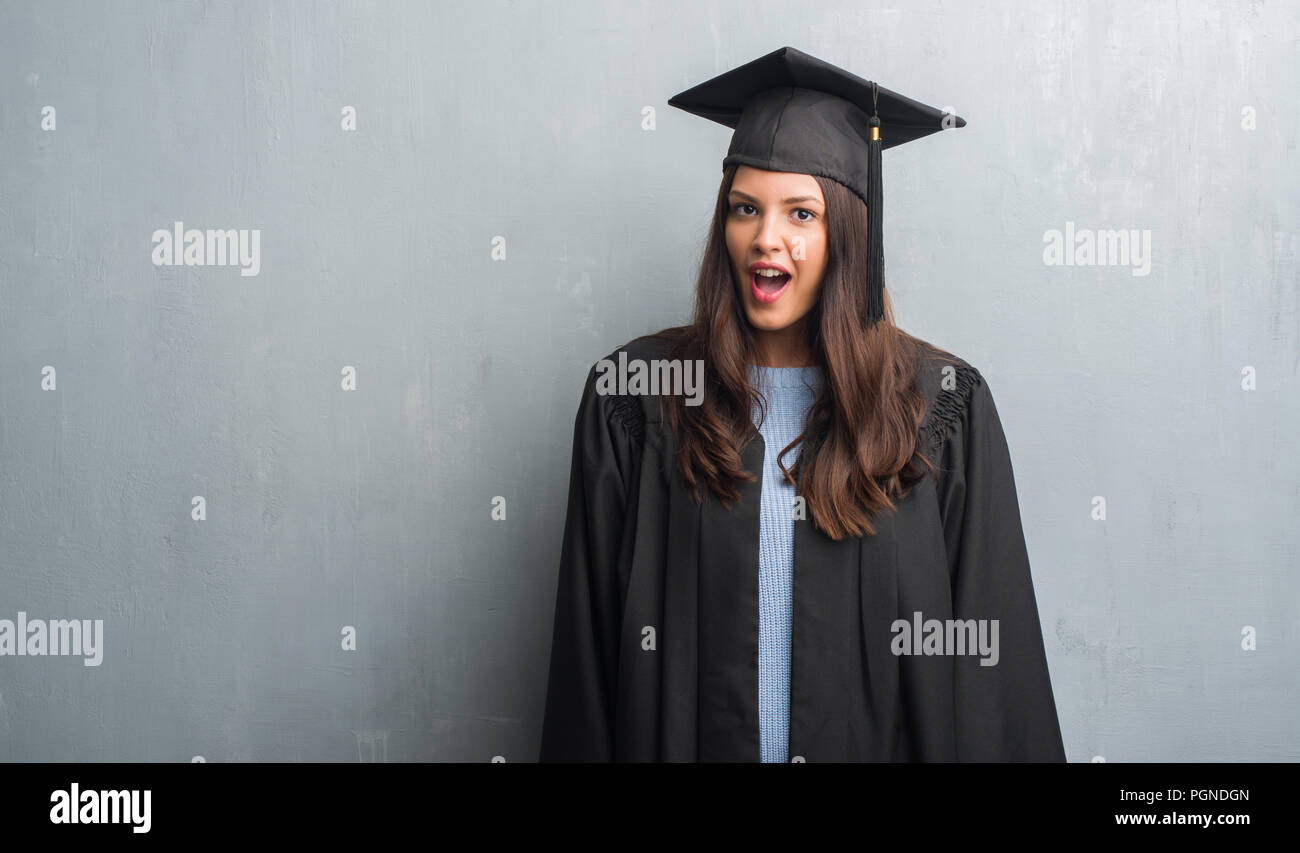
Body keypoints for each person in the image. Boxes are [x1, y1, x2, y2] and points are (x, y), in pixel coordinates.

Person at [538, 46, 1066, 762]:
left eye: (801, 213)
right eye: (745, 208)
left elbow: (994, 689)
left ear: (848, 233)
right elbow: (587, 673)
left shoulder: (938, 410)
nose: (767, 238)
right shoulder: (638, 402)